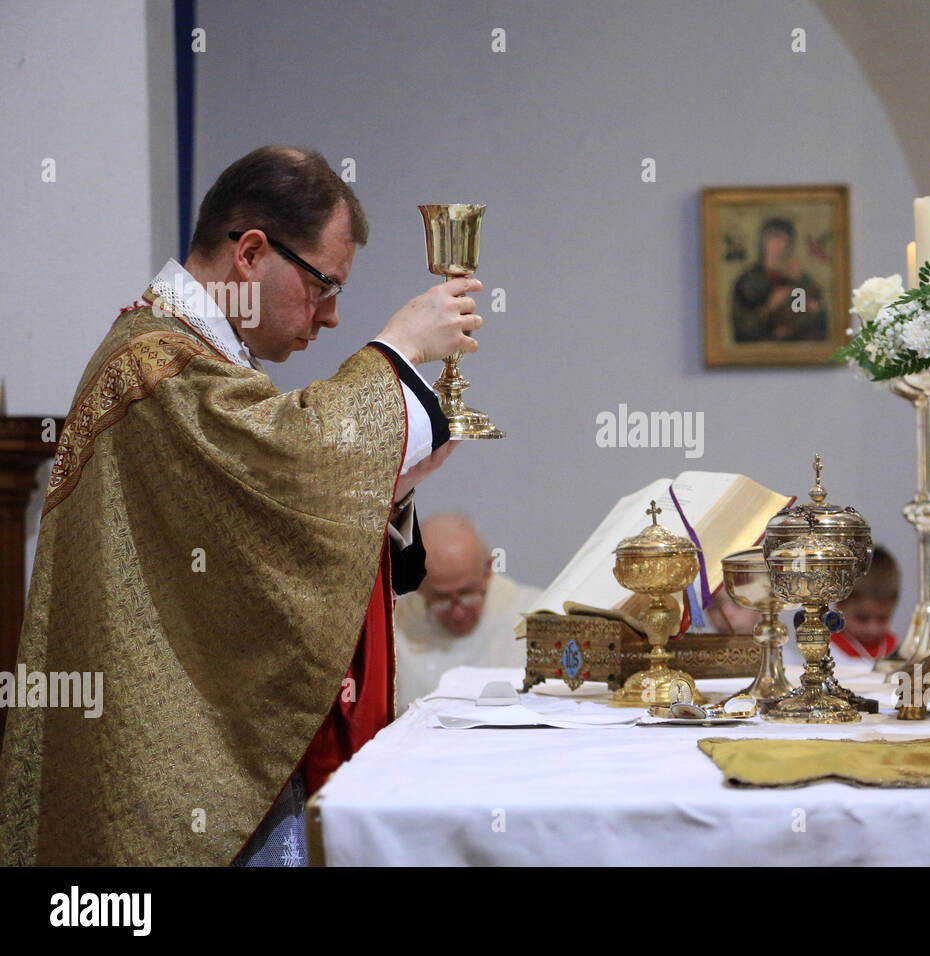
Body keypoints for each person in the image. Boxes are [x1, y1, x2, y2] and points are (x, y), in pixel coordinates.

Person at [0, 146, 484, 866]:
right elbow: (291, 457)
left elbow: (253, 540)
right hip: (163, 772)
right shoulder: (155, 365)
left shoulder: (192, 360)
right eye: (323, 285)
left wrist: (389, 488)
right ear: (252, 252)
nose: (330, 317)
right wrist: (398, 351)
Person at [394, 512, 541, 710]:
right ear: (419, 585)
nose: (458, 612)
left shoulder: (537, 614)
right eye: (441, 598)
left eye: (468, 594)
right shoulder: (393, 625)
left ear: (488, 569)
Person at [730, 218, 828, 343]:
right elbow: (742, 329)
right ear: (763, 244)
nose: (779, 246)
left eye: (784, 241)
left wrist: (800, 286)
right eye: (774, 239)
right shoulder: (748, 282)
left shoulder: (801, 280)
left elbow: (810, 318)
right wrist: (769, 307)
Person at [830, 545, 901, 662]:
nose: (872, 629)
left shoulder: (897, 651)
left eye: (882, 618)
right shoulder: (829, 652)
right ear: (840, 603)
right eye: (862, 618)